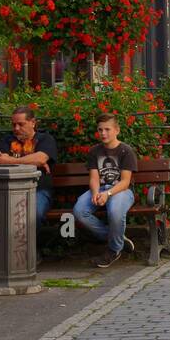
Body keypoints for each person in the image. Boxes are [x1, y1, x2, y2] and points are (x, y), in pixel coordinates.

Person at [73, 113, 138, 268]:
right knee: (79, 211)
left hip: (121, 191)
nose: (103, 133)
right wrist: (96, 193)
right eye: (100, 130)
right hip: (100, 189)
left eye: (107, 129)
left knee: (115, 212)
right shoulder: (95, 151)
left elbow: (125, 182)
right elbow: (94, 178)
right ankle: (117, 238)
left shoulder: (126, 151)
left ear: (117, 130)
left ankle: (114, 249)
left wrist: (108, 194)